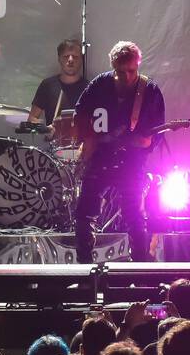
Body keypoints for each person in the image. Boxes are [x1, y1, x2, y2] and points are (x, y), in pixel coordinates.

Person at [72, 41, 166, 263]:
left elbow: (157, 130)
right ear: (113, 67)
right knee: (84, 214)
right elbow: (80, 113)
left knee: (134, 216)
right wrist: (87, 141)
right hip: (100, 158)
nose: (127, 77)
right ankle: (85, 268)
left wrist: (147, 142)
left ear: (138, 65)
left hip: (132, 162)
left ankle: (140, 271)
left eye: (132, 71)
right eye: (120, 72)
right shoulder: (99, 85)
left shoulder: (150, 91)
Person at [27, 38, 89, 128]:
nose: (70, 59)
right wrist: (45, 129)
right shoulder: (47, 85)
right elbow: (32, 118)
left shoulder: (89, 88)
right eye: (66, 56)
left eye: (75, 56)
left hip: (81, 141)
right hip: (53, 141)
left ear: (81, 60)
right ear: (59, 59)